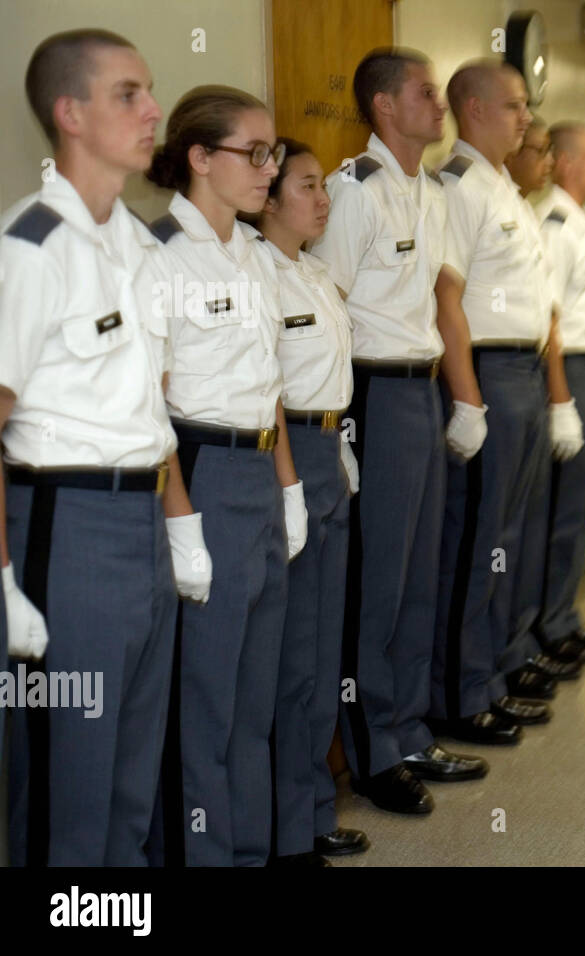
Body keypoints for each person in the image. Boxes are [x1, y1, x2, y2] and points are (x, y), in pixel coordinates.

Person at [2, 28, 212, 868]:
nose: (153, 109)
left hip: (140, 528)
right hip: (66, 528)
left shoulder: (134, 244)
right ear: (70, 113)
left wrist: (181, 526)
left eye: (150, 90)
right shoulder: (29, 250)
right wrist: (4, 579)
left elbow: (148, 412)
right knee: (70, 787)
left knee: (131, 773)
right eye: (128, 93)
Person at [309, 47, 487, 816]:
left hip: (420, 392)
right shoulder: (357, 191)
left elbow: (446, 302)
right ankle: (375, 750)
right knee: (377, 585)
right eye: (424, 93)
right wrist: (340, 422)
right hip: (374, 394)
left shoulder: (434, 193)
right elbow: (329, 308)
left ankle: (411, 729)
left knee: (419, 574)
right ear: (384, 106)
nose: (438, 104)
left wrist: (464, 399)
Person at [145, 85, 307, 867]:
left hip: (257, 471)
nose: (269, 171)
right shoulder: (159, 257)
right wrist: (181, 521)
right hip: (199, 469)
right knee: (205, 700)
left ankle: (249, 851)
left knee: (254, 696)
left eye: (273, 154)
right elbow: (148, 403)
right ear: (200, 159)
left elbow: (269, 379)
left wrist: (289, 486)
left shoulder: (251, 252)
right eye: (255, 153)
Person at [430, 60, 583, 748]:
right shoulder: (460, 188)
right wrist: (467, 400)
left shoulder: (505, 191)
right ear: (474, 108)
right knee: (479, 542)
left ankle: (492, 669)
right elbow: (446, 298)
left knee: (508, 538)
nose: (527, 119)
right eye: (516, 107)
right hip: (488, 374)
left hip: (522, 370)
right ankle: (461, 694)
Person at [247, 137, 370, 864]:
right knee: (291, 659)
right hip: (284, 461)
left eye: (323, 185)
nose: (322, 199)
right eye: (306, 185)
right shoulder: (260, 274)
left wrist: (343, 448)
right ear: (270, 199)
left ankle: (316, 809)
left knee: (323, 652)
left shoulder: (317, 277)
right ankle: (285, 826)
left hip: (329, 453)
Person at [530, 121, 585, 652]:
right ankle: (547, 624)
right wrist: (560, 398)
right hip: (568, 376)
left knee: (578, 503)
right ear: (564, 162)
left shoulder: (581, 222)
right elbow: (550, 322)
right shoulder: (555, 225)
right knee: (560, 507)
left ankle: (562, 613)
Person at [503, 116, 553, 199]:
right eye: (541, 150)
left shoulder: (523, 206)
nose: (550, 162)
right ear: (512, 151)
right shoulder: (492, 199)